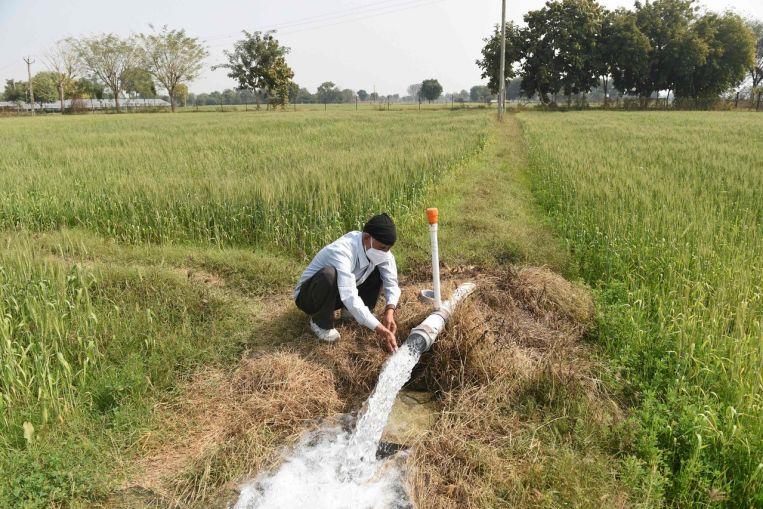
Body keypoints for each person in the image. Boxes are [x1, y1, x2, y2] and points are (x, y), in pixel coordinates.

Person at [294, 213, 400, 353]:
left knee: (378, 270)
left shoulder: (377, 249)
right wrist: (380, 329)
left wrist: (389, 312)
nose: (386, 253)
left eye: (388, 248)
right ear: (367, 237)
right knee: (329, 275)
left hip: (336, 293)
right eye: (383, 248)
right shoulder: (343, 251)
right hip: (309, 297)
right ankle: (320, 322)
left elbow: (391, 282)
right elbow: (349, 295)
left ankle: (350, 312)